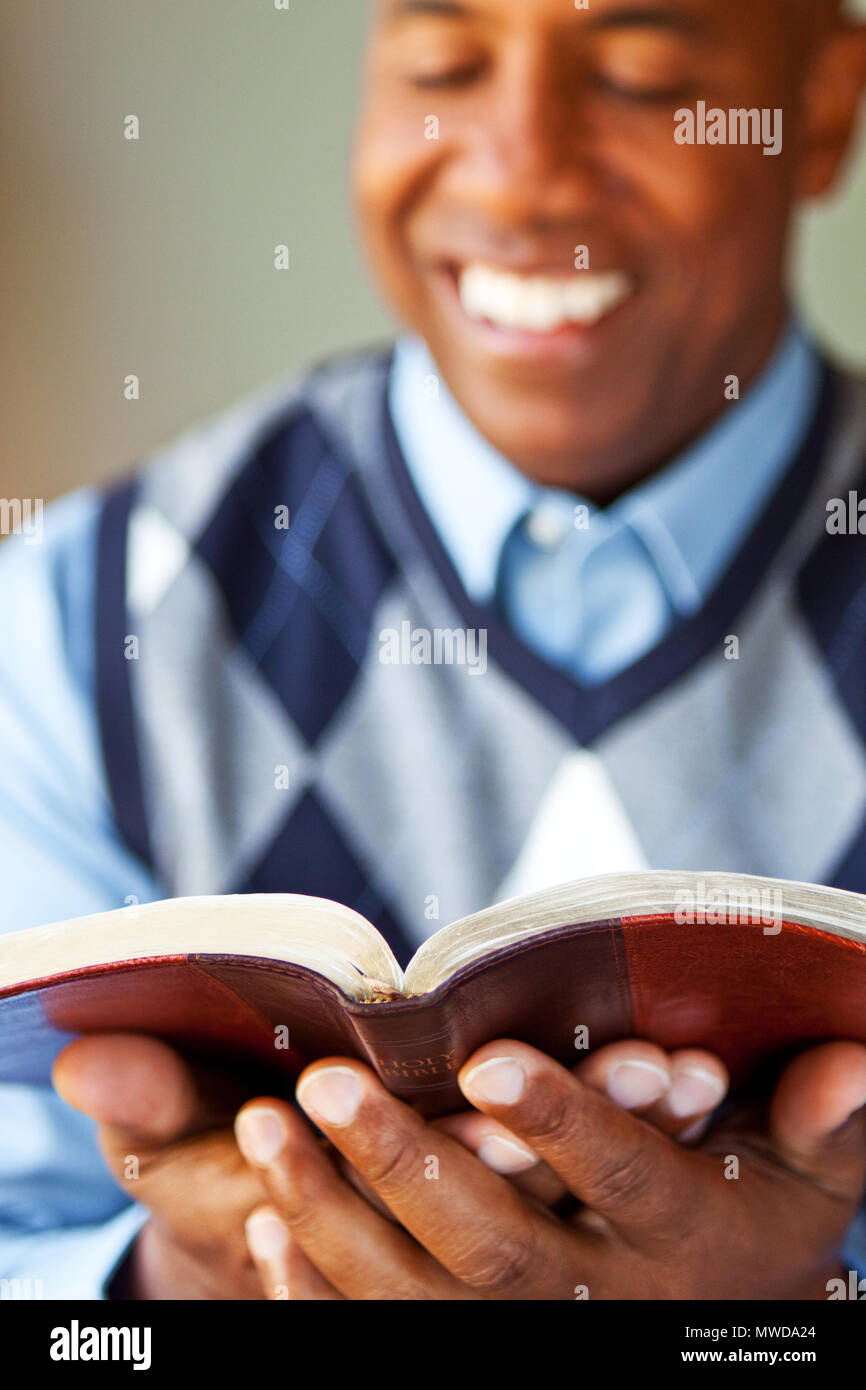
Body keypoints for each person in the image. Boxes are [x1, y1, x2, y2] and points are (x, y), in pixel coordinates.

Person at [3, 0, 866, 1299]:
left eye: (637, 75)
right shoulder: (82, 614)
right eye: (443, 64)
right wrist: (176, 1280)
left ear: (824, 110)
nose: (518, 171)